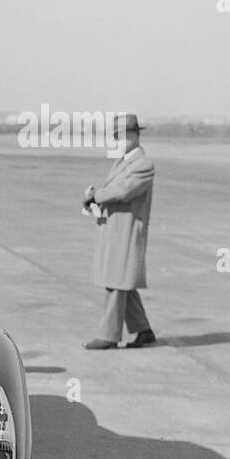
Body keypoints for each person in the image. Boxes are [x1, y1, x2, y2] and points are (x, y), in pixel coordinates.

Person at [82, 113, 155, 349]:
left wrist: (97, 195)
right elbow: (114, 188)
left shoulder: (143, 164)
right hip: (115, 231)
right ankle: (143, 330)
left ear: (136, 135)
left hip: (127, 232)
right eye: (116, 136)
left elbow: (124, 191)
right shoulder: (122, 162)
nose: (119, 140)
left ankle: (109, 336)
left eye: (123, 135)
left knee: (116, 282)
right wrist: (96, 194)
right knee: (122, 281)